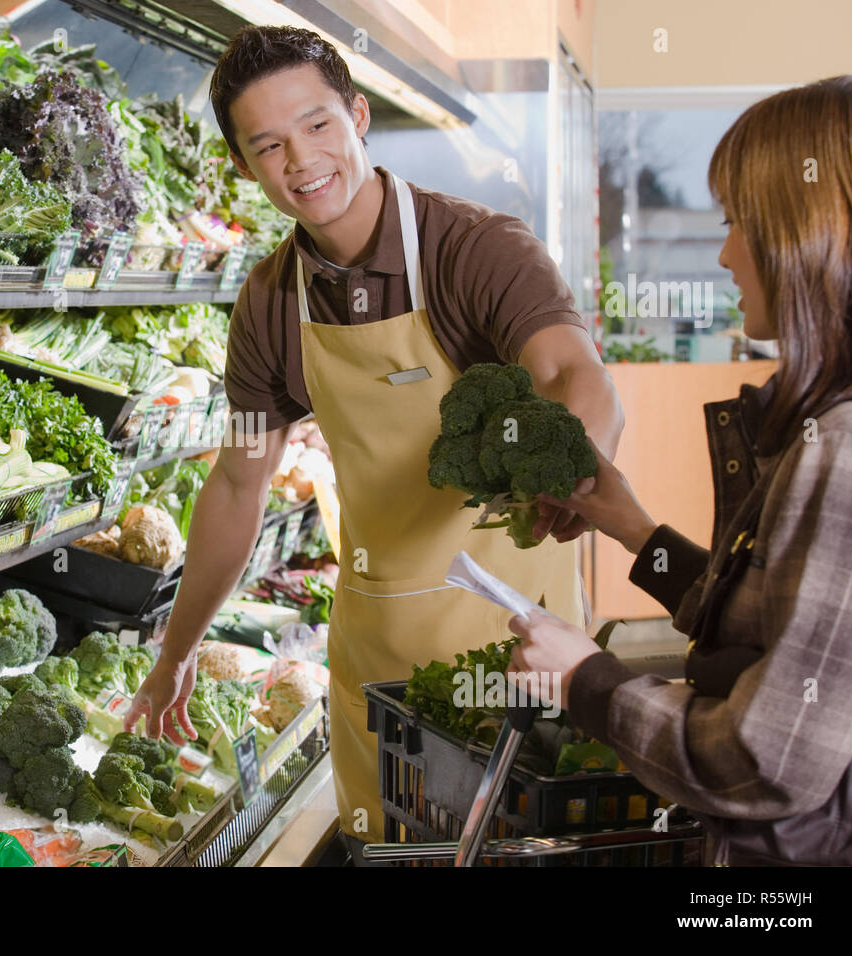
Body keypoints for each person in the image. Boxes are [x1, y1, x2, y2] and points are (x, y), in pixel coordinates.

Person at [123, 24, 622, 855]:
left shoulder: (476, 251)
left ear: (359, 117)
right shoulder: (269, 305)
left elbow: (578, 376)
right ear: (245, 167)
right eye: (269, 144)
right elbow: (241, 483)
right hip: (378, 665)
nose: (302, 160)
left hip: (514, 647)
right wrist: (177, 653)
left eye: (318, 125)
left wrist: (568, 470)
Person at [508, 75, 852, 866]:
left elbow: (765, 762)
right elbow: (785, 627)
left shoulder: (845, 447)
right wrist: (633, 528)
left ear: (812, 233)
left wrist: (586, 682)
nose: (726, 251)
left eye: (740, 221)